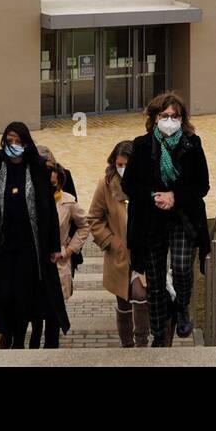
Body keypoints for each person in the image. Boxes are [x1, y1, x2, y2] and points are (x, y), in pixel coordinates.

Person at [0, 122, 70, 349]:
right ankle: (8, 334)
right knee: (3, 296)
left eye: (17, 141)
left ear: (25, 143)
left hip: (29, 249)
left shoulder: (38, 168)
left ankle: (20, 339)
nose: (13, 146)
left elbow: (48, 211)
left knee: (25, 296)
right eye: (9, 141)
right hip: (1, 248)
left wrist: (54, 246)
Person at [121, 92, 210, 346]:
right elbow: (129, 184)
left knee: (182, 267)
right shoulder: (140, 145)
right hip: (150, 222)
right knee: (156, 282)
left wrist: (175, 196)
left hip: (182, 218)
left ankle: (182, 307)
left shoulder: (193, 144)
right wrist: (153, 196)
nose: (169, 120)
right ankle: (159, 332)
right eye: (165, 116)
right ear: (155, 117)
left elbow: (202, 185)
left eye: (175, 116)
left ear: (182, 119)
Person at [88, 139, 149, 347]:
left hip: (144, 253)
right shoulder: (106, 184)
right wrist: (111, 241)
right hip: (120, 256)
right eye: (118, 165)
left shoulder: (147, 180)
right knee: (123, 300)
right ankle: (127, 346)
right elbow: (94, 219)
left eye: (126, 165)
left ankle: (141, 344)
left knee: (140, 294)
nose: (122, 169)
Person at [28, 159, 88, 348]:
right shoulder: (31, 200)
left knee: (54, 317)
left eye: (53, 184)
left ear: (60, 183)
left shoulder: (68, 202)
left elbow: (85, 226)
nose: (49, 188)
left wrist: (69, 250)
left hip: (58, 265)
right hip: (36, 265)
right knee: (36, 318)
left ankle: (51, 352)